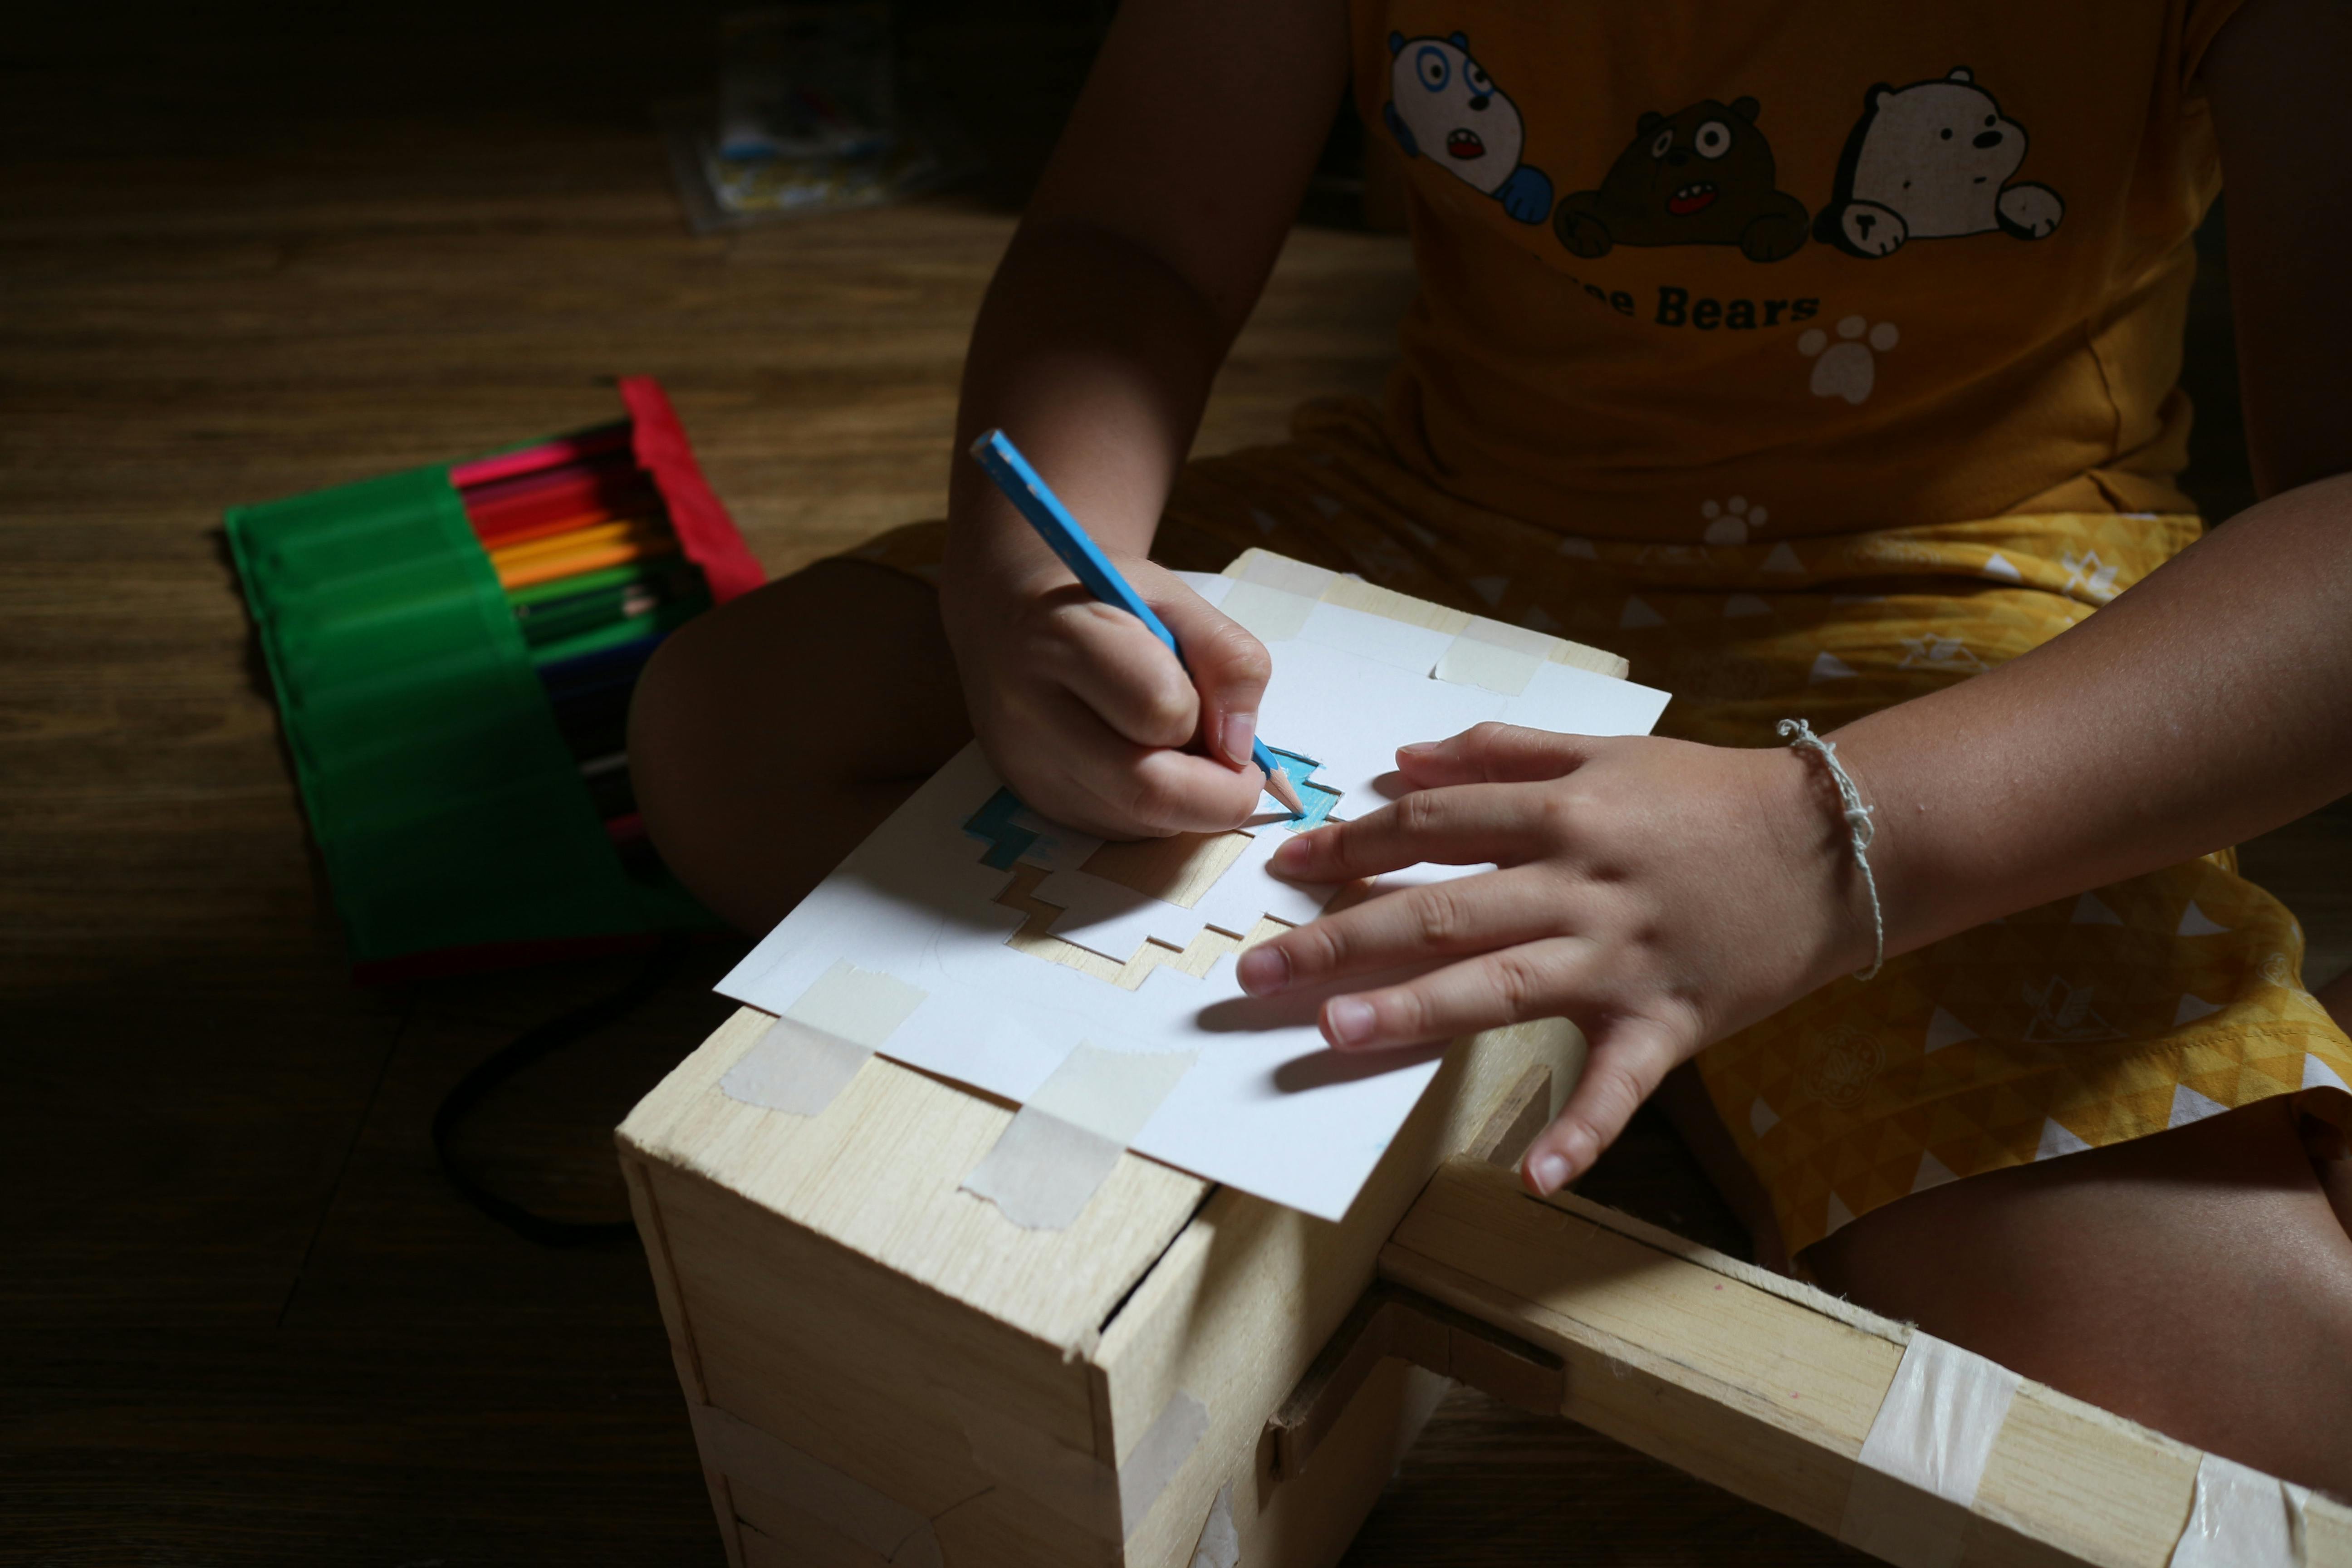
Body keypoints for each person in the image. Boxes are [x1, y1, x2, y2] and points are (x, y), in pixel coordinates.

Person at [629, 0, 2352, 1494]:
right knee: (735, 738)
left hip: (1957, 634)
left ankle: (1688, 998)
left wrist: (1822, 853)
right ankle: (1672, 1034)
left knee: (2249, 1396)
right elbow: (1130, 244)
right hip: (1440, 528)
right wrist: (1037, 573)